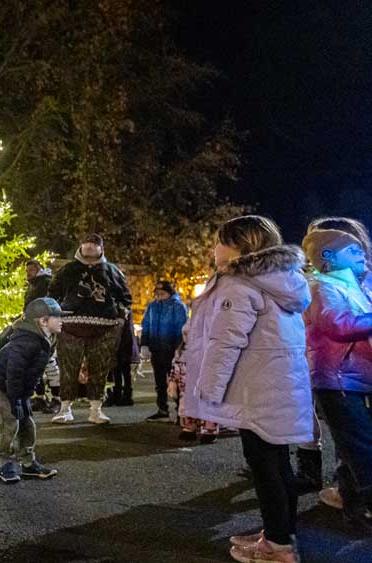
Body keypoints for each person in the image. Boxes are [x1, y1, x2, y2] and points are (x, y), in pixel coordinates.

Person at [183, 215, 311, 563]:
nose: (214, 248)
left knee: (264, 468)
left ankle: (278, 547)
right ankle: (281, 532)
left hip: (256, 390)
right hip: (280, 387)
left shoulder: (240, 285)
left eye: (220, 241)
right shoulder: (280, 281)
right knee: (279, 464)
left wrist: (208, 389)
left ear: (241, 246)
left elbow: (225, 341)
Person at [300, 228, 372, 531]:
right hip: (337, 379)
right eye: (353, 250)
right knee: (362, 446)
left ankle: (355, 511)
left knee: (351, 446)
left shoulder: (354, 286)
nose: (362, 254)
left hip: (356, 376)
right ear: (328, 255)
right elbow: (338, 324)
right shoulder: (321, 286)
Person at [48, 233, 132, 424]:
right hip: (70, 326)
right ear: (80, 247)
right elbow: (52, 293)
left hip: (104, 328)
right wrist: (54, 315)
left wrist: (121, 316)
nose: (89, 247)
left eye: (94, 244)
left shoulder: (112, 271)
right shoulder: (67, 270)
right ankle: (65, 408)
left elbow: (125, 296)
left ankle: (96, 409)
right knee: (68, 368)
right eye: (86, 244)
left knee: (99, 369)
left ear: (101, 249)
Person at [0, 297, 63, 483]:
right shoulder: (24, 342)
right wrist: (16, 400)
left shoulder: (48, 338)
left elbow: (39, 368)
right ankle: (5, 463)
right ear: (43, 321)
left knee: (27, 422)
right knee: (10, 422)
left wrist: (31, 392)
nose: (61, 320)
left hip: (19, 387)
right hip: (1, 384)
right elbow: (14, 373)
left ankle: (27, 463)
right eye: (57, 317)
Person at [140, 281, 188, 421]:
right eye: (157, 293)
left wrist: (178, 349)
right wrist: (144, 344)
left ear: (169, 293)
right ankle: (162, 409)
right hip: (156, 349)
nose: (159, 296)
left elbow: (181, 329)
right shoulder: (152, 306)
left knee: (176, 382)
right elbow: (146, 325)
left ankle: (181, 411)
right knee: (159, 382)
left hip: (171, 350)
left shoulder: (178, 307)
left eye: (162, 293)